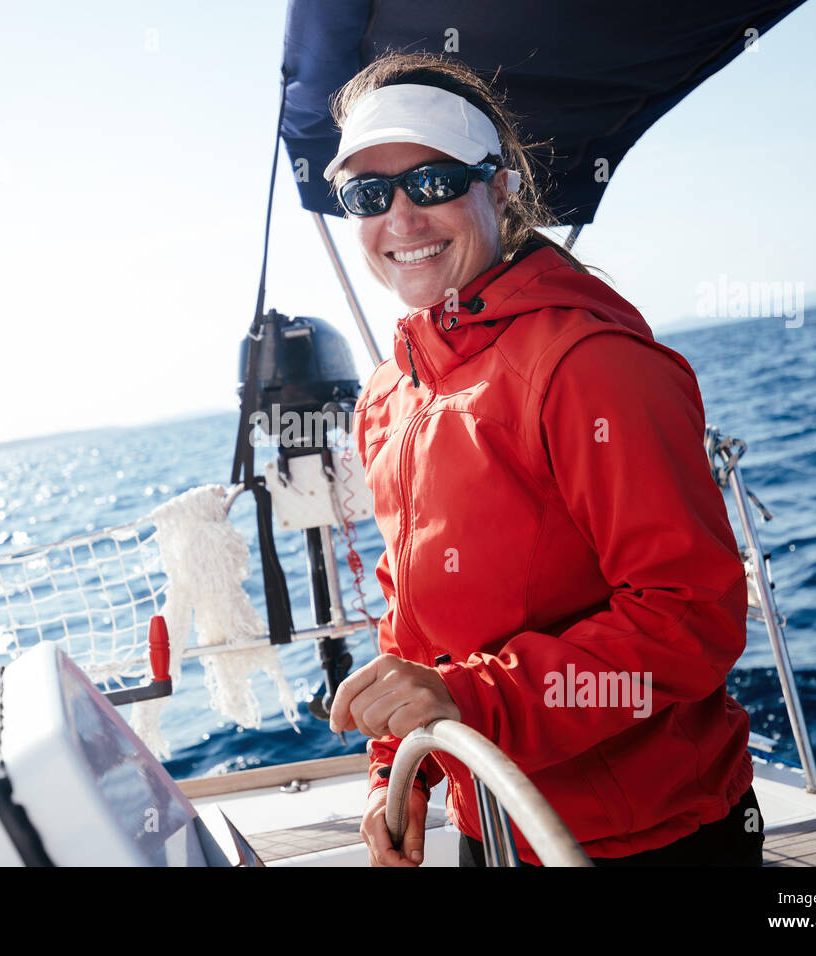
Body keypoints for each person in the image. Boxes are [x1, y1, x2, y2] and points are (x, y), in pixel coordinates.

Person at [323, 52, 764, 867]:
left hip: (651, 838)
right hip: (490, 822)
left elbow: (690, 618)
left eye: (432, 181)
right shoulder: (389, 395)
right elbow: (411, 621)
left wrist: (469, 701)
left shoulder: (589, 365)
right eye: (367, 194)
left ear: (500, 186)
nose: (402, 218)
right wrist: (401, 777)